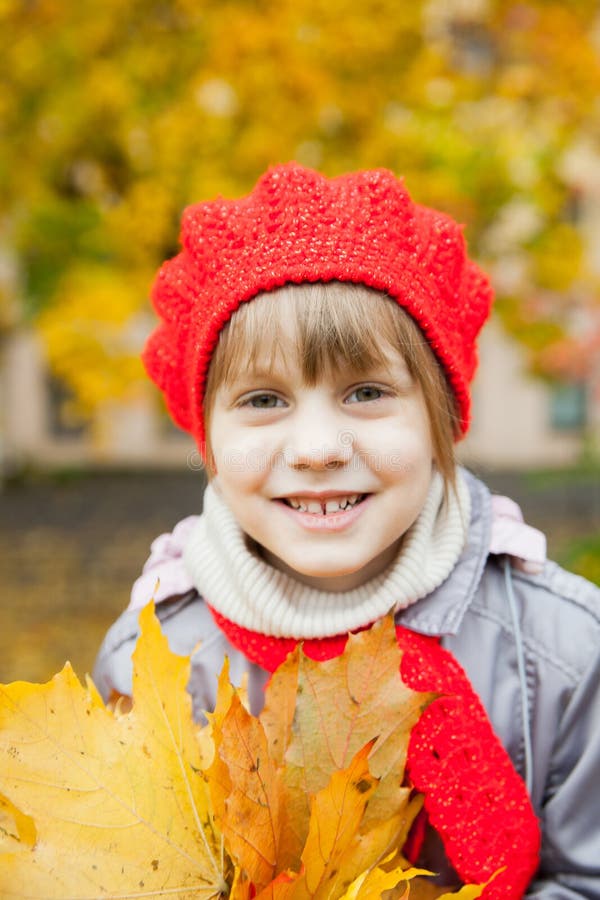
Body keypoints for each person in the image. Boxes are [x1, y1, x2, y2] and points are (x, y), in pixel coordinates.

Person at [94, 164, 600, 898]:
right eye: (264, 399)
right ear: (206, 436)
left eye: (366, 392)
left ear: (439, 417)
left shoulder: (561, 652)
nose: (319, 448)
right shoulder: (163, 660)